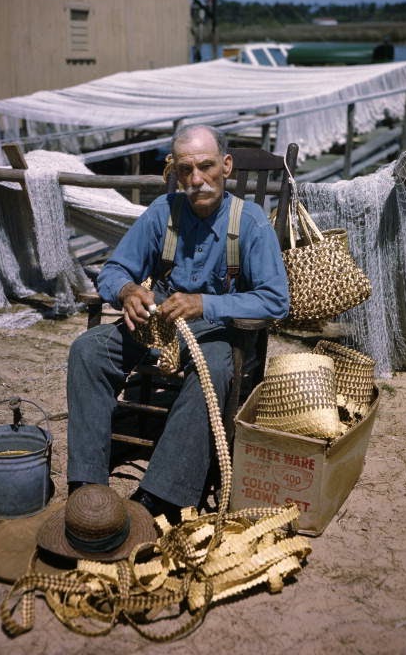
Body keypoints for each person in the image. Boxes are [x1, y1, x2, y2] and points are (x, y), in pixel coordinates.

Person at [66, 125, 289, 521]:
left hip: (219, 333)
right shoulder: (161, 214)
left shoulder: (250, 223)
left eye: (205, 167)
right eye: (185, 170)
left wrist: (205, 304)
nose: (196, 180)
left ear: (226, 165)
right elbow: (114, 269)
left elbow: (275, 301)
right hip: (157, 329)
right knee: (88, 350)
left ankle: (160, 496)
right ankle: (86, 485)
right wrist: (128, 291)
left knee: (214, 369)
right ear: (176, 172)